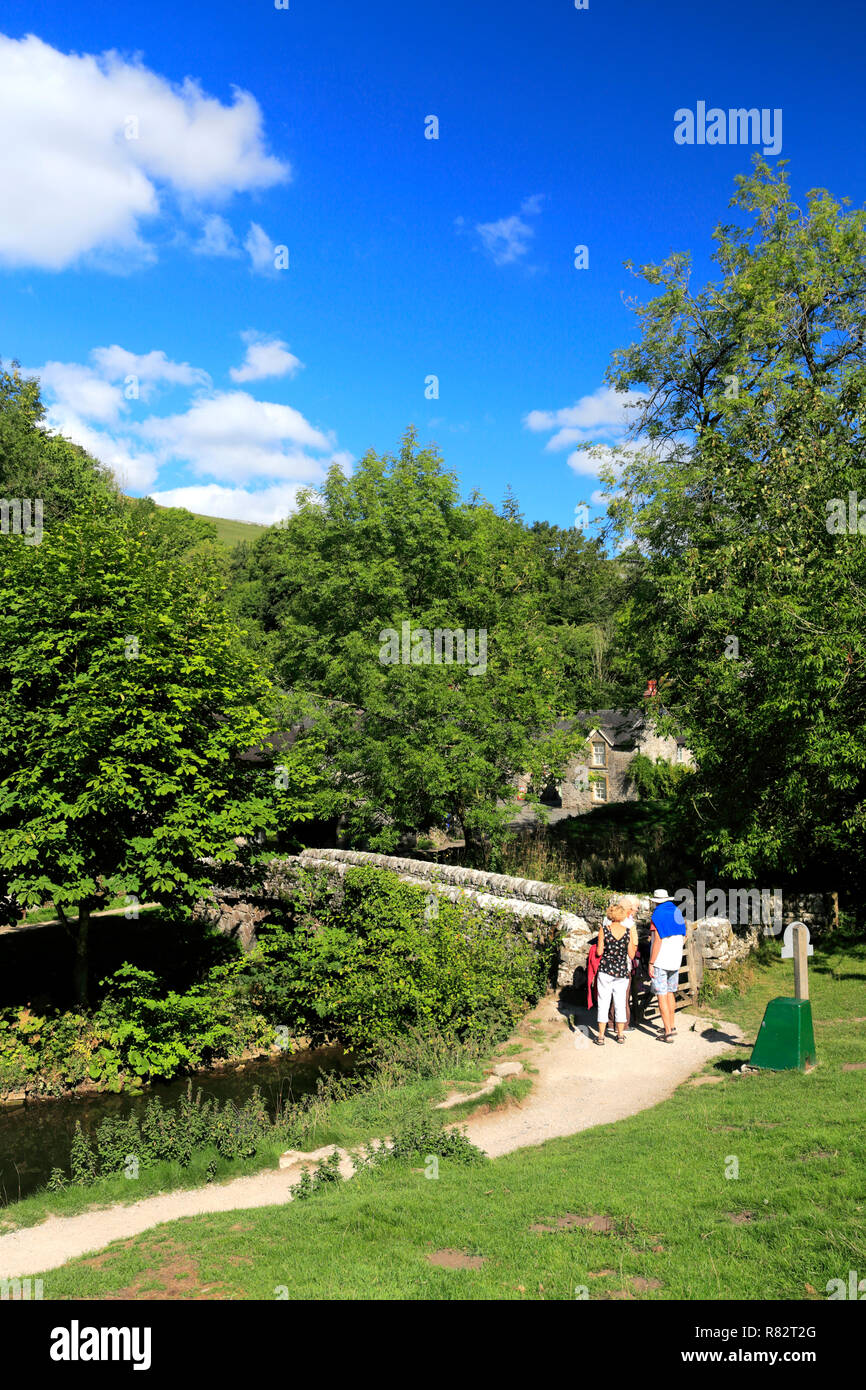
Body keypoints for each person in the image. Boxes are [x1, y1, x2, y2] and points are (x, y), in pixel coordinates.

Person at [594, 903, 637, 1045]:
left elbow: (599, 952)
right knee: (620, 1003)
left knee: (603, 1002)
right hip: (621, 971)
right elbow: (631, 954)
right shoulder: (627, 931)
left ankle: (601, 1036)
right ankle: (620, 1035)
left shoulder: (604, 930)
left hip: (605, 970)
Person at [649, 888, 687, 1043]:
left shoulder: (657, 915)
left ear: (656, 902)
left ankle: (667, 1033)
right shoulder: (677, 912)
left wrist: (651, 962)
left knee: (661, 995)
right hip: (675, 960)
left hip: (661, 961)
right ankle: (672, 1026)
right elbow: (684, 935)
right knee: (671, 993)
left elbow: (657, 940)